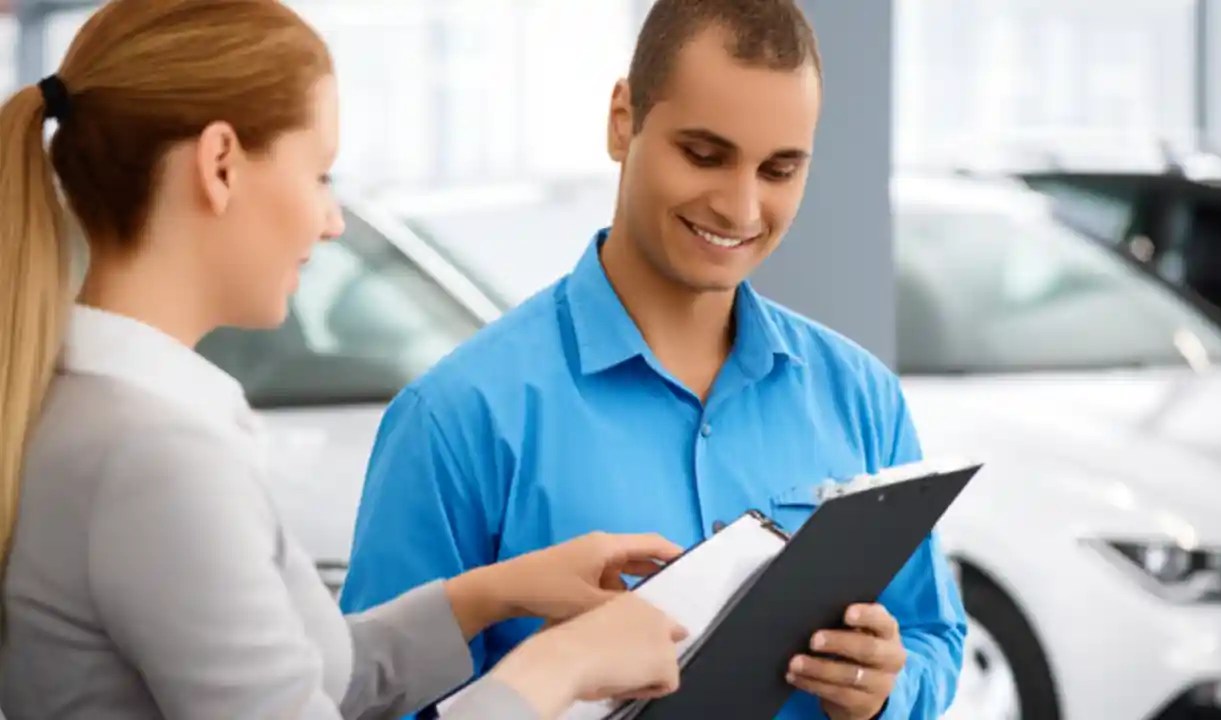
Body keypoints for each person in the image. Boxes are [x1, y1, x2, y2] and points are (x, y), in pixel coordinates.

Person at [0, 1, 690, 718]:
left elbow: (311, 680)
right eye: (320, 174)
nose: (331, 221)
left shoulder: (115, 416)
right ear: (220, 165)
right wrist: (563, 664)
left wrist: (492, 593)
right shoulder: (151, 458)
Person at [340, 1, 967, 719]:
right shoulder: (457, 417)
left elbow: (931, 634)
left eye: (779, 169)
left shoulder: (861, 396)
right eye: (705, 155)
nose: (740, 207)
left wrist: (889, 688)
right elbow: (376, 702)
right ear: (622, 120)